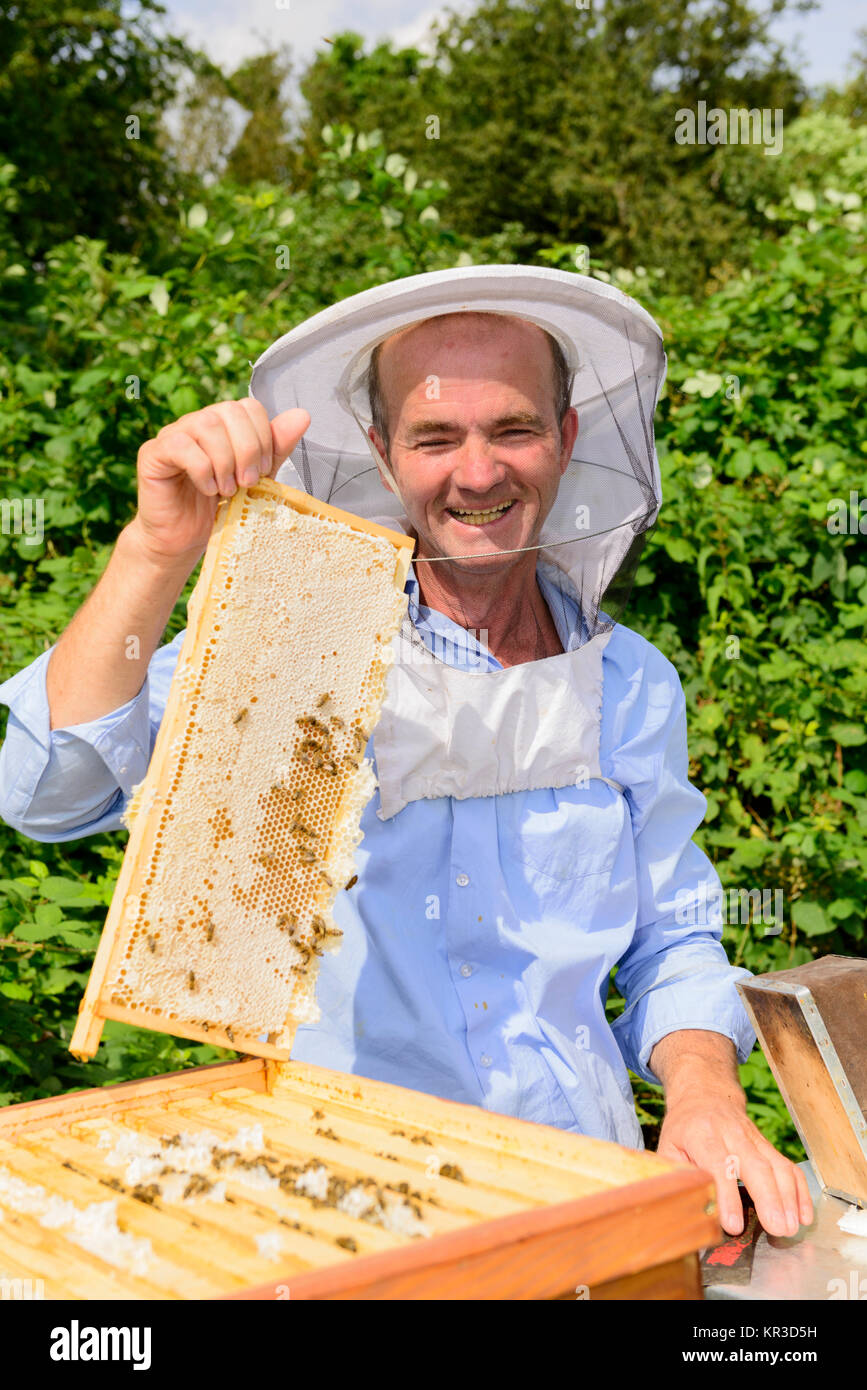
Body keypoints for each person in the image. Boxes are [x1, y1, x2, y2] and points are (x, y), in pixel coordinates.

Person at [0, 265, 812, 1241]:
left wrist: (706, 1093)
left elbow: (672, 939)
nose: (478, 474)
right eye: (436, 437)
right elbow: (48, 789)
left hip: (581, 1177)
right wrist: (155, 546)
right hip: (337, 1187)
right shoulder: (298, 653)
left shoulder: (631, 682)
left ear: (569, 439)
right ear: (383, 456)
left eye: (514, 428)